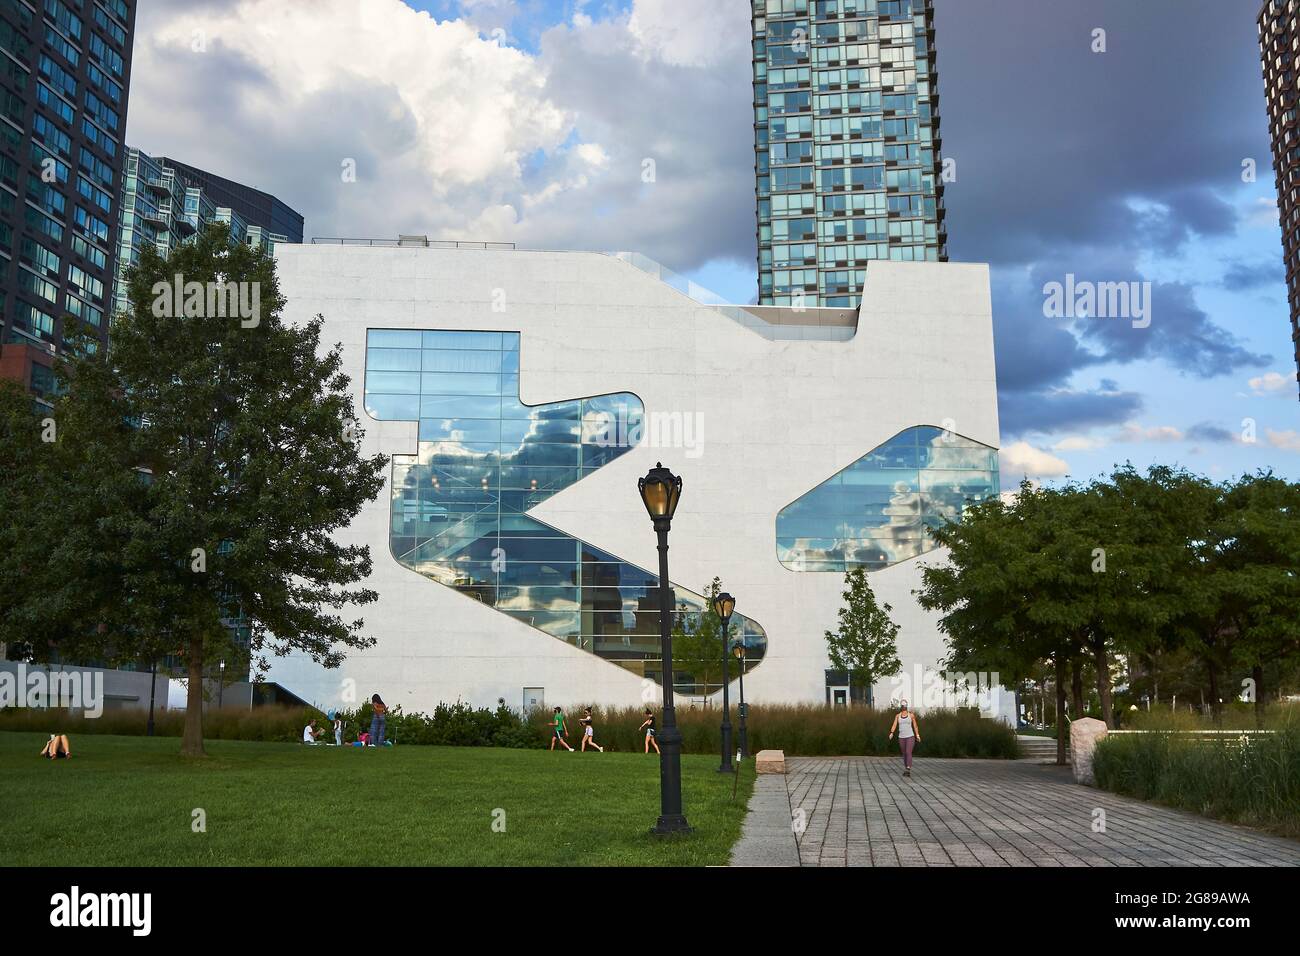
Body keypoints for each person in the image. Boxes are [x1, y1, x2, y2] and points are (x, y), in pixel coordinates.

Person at [887, 700, 922, 777]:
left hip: (910, 736)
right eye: (903, 706)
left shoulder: (911, 715)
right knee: (904, 754)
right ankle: (906, 768)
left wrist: (917, 735)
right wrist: (891, 732)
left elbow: (915, 726)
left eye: (905, 706)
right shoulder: (897, 716)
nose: (904, 707)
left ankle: (908, 768)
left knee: (908, 752)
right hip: (901, 737)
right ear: (901, 707)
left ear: (906, 706)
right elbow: (894, 725)